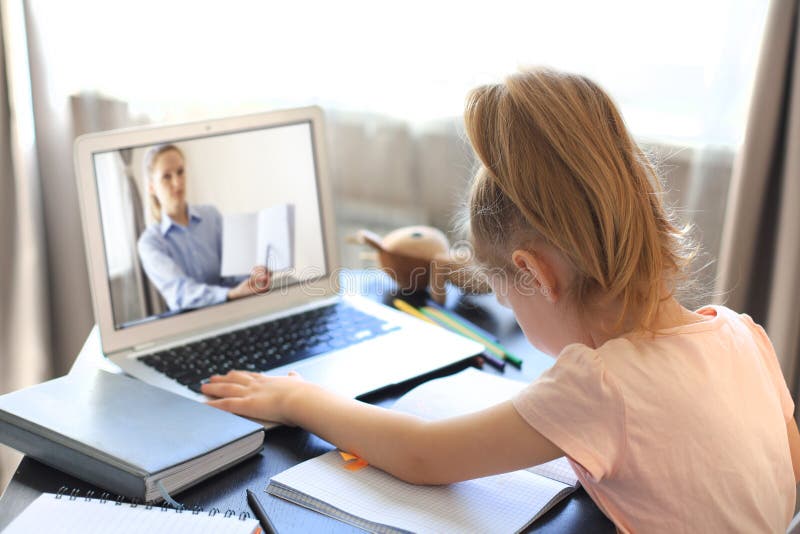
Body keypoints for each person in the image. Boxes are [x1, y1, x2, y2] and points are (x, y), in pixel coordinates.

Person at [201, 69, 800, 532]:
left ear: (535, 274)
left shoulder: (600, 385)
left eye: (506, 295)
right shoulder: (742, 335)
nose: (510, 308)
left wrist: (300, 398)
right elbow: (785, 477)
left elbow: (423, 455)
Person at [137, 144, 270, 311]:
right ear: (151, 187)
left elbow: (232, 275)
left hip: (234, 310)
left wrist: (254, 276)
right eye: (166, 177)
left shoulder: (211, 216)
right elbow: (180, 293)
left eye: (180, 172)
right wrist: (230, 294)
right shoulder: (150, 243)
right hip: (193, 321)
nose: (177, 182)